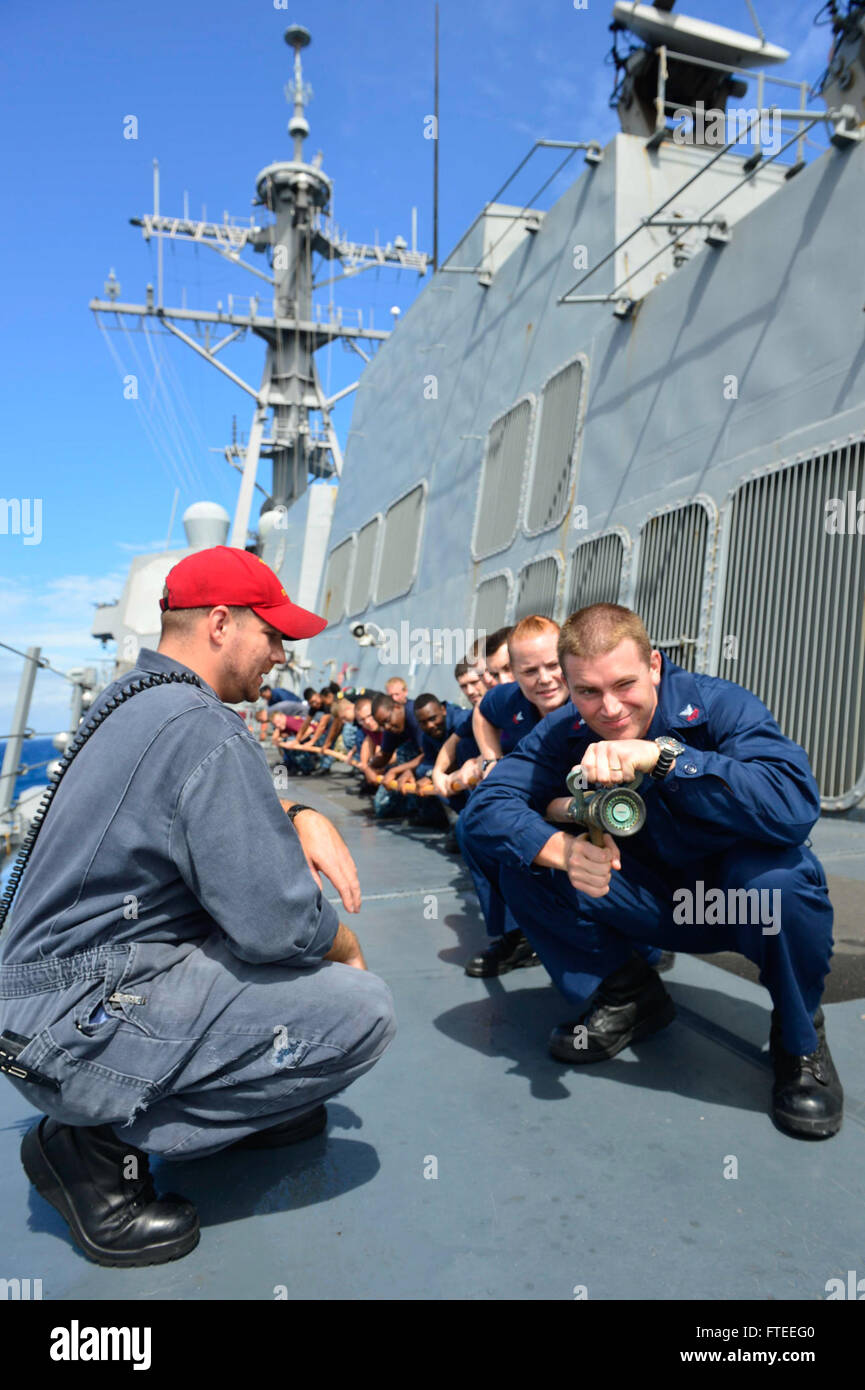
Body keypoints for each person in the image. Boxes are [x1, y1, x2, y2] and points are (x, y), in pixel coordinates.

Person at [0, 545, 396, 1266]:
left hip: (41, 1003)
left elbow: (179, 818)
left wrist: (295, 810)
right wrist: (342, 944)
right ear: (220, 623)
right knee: (359, 1009)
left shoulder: (140, 702)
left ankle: (211, 1112)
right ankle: (92, 1148)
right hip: (73, 1022)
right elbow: (272, 925)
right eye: (273, 634)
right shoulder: (203, 726)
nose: (281, 654)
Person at [460, 603, 842, 1140]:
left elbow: (794, 801)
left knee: (781, 881)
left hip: (736, 905)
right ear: (569, 686)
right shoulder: (563, 731)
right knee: (526, 860)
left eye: (625, 684)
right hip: (650, 901)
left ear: (656, 666)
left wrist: (665, 758)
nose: (610, 708)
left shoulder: (719, 705)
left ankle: (800, 1038)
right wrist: (565, 853)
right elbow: (485, 811)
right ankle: (628, 994)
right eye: (587, 692)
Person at [458, 616, 572, 979]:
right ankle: (517, 934)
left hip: (588, 804)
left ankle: (641, 947)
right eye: (528, 670)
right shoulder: (511, 700)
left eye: (554, 665)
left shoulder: (590, 696)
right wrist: (490, 759)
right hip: (541, 798)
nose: (544, 678)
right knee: (472, 827)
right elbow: (482, 711)